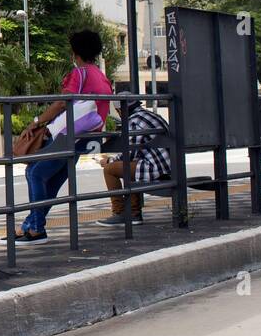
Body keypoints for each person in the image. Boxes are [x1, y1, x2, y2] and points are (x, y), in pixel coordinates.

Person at [16, 30, 113, 243]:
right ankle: (30, 225)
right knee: (52, 178)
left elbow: (61, 103)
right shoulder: (101, 76)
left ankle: (36, 228)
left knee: (35, 173)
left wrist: (36, 122)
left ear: (75, 52)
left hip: (67, 134)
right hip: (85, 138)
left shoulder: (80, 74)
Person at [95, 95, 171, 226]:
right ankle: (133, 213)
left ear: (120, 111)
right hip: (169, 165)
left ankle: (120, 213)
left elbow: (129, 153)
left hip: (156, 168)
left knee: (110, 170)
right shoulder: (150, 115)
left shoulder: (134, 121)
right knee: (130, 167)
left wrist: (108, 161)